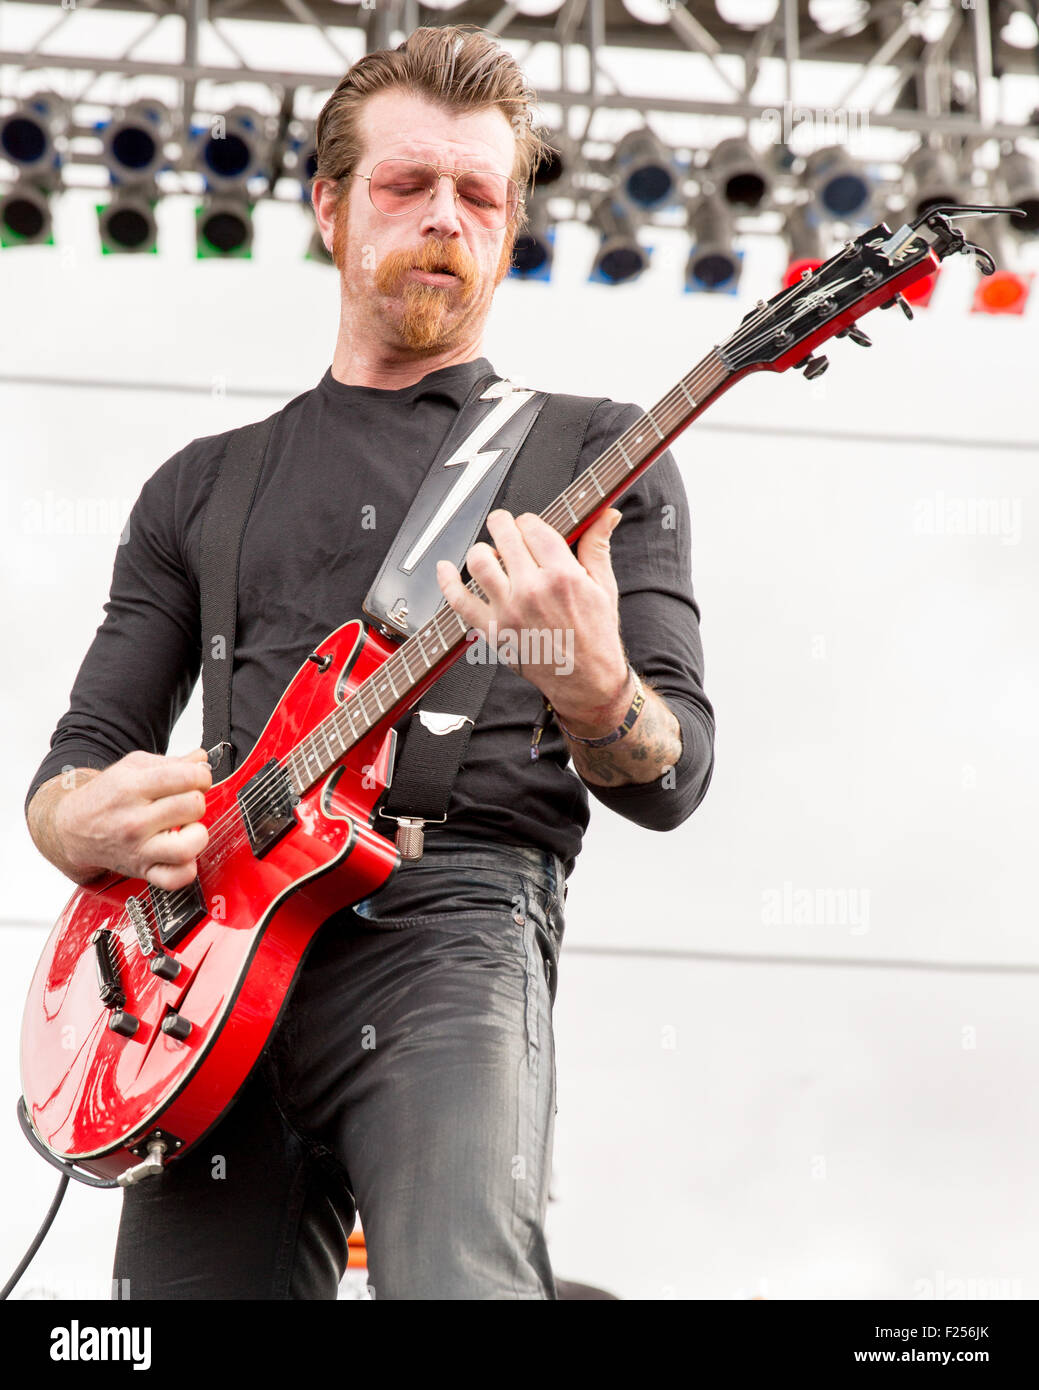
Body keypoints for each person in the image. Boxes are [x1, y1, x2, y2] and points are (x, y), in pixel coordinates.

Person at [23, 24, 715, 1300]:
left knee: (459, 1284)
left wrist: (593, 682)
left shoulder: (594, 455)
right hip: (205, 958)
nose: (444, 217)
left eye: (478, 194)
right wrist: (75, 821)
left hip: (452, 927)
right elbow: (75, 757)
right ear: (329, 206)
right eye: (407, 185)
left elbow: (671, 776)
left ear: (508, 229)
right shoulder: (200, 488)